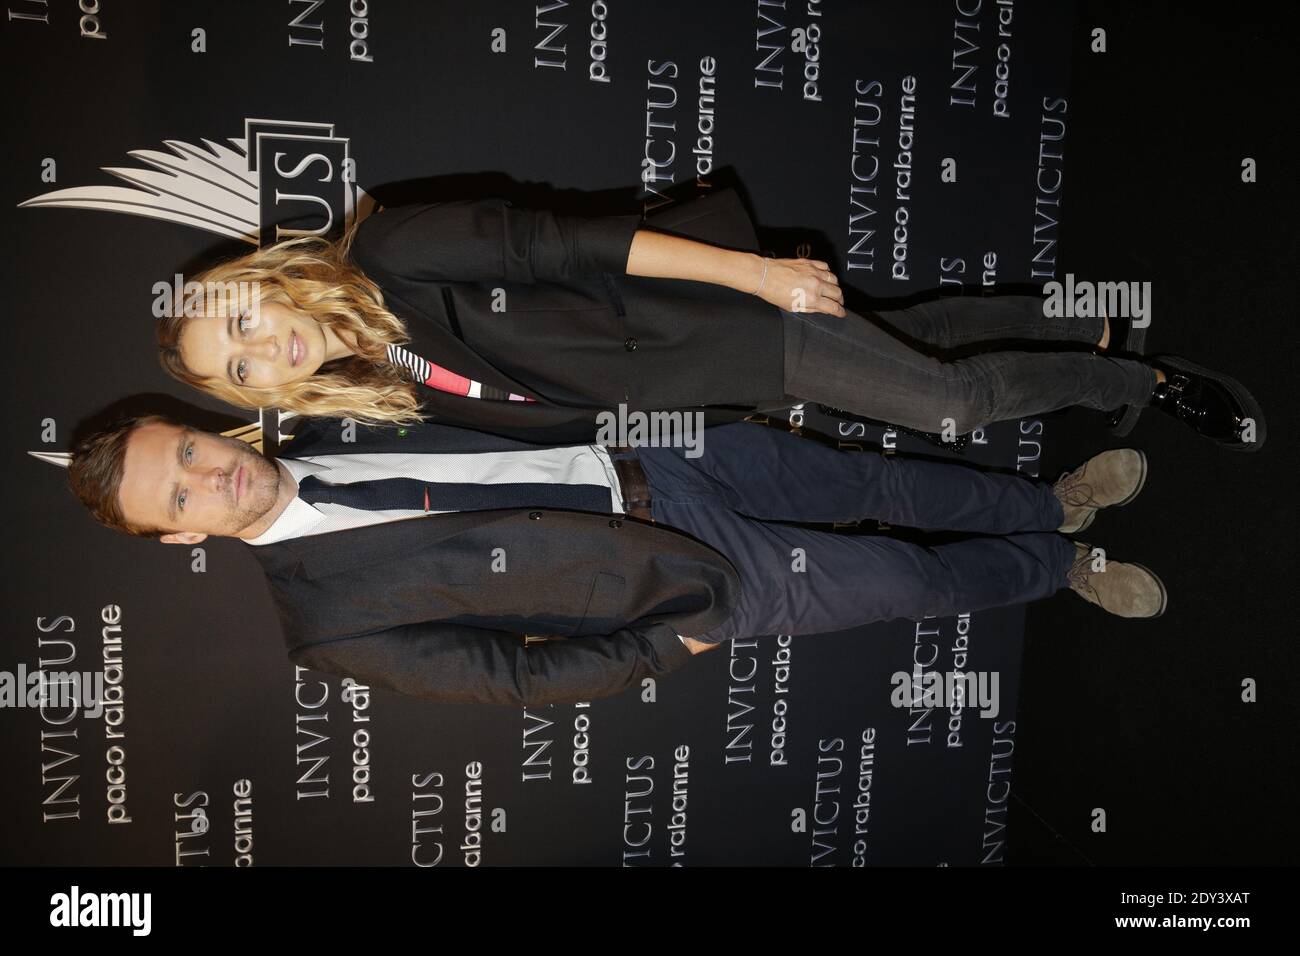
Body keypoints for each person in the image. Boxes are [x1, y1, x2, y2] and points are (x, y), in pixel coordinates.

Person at [65, 409, 1161, 706]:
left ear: (206, 430)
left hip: (661, 456)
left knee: (878, 483)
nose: (213, 477)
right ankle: (1056, 570)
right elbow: (515, 678)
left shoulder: (330, 421)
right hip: (685, 578)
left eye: (195, 450)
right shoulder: (327, 625)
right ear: (181, 536)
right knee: (910, 580)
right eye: (183, 493)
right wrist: (663, 646)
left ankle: (1049, 501)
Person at [155, 187, 1266, 450]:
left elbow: (566, 241)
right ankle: (1089, 327)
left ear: (259, 279)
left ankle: (1141, 382)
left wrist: (750, 274)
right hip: (707, 374)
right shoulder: (380, 381)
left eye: (239, 319)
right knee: (913, 324)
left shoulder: (387, 251)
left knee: (948, 400)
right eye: (238, 367)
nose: (262, 348)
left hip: (719, 318)